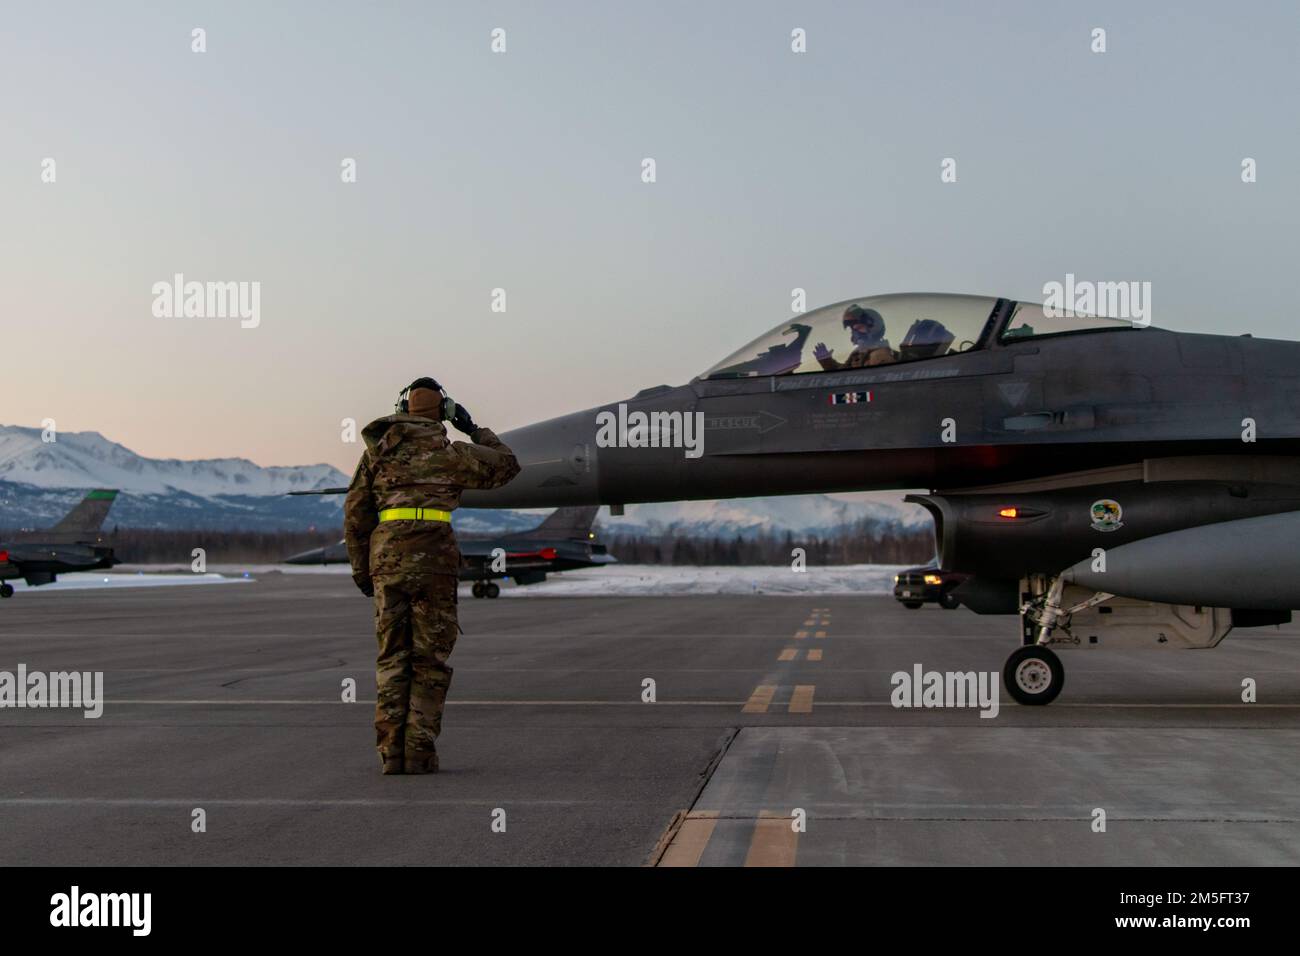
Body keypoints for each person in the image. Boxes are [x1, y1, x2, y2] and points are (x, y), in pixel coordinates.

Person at [344, 377, 520, 775]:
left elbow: (355, 515)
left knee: (392, 656)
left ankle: (390, 753)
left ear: (403, 408)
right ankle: (419, 751)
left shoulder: (378, 452)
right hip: (435, 561)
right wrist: (472, 428)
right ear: (443, 412)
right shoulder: (452, 453)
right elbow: (508, 465)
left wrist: (362, 570)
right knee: (430, 659)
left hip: (387, 560)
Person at [813, 305, 896, 369]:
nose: (855, 334)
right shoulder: (858, 353)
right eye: (853, 330)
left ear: (874, 328)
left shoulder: (880, 356)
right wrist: (826, 360)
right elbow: (843, 373)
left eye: (859, 328)